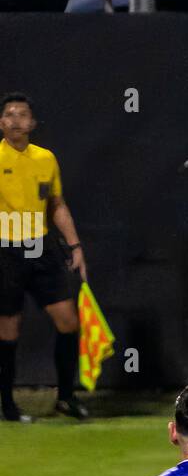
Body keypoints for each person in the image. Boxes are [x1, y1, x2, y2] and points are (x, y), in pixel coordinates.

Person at [0, 92, 89, 421]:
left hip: (41, 248)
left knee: (68, 321)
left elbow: (57, 205)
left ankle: (66, 397)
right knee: (8, 330)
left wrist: (75, 246)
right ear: (1, 123)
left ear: (32, 123)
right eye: (9, 114)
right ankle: (7, 405)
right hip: (5, 251)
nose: (15, 120)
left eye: (22, 114)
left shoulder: (45, 158)